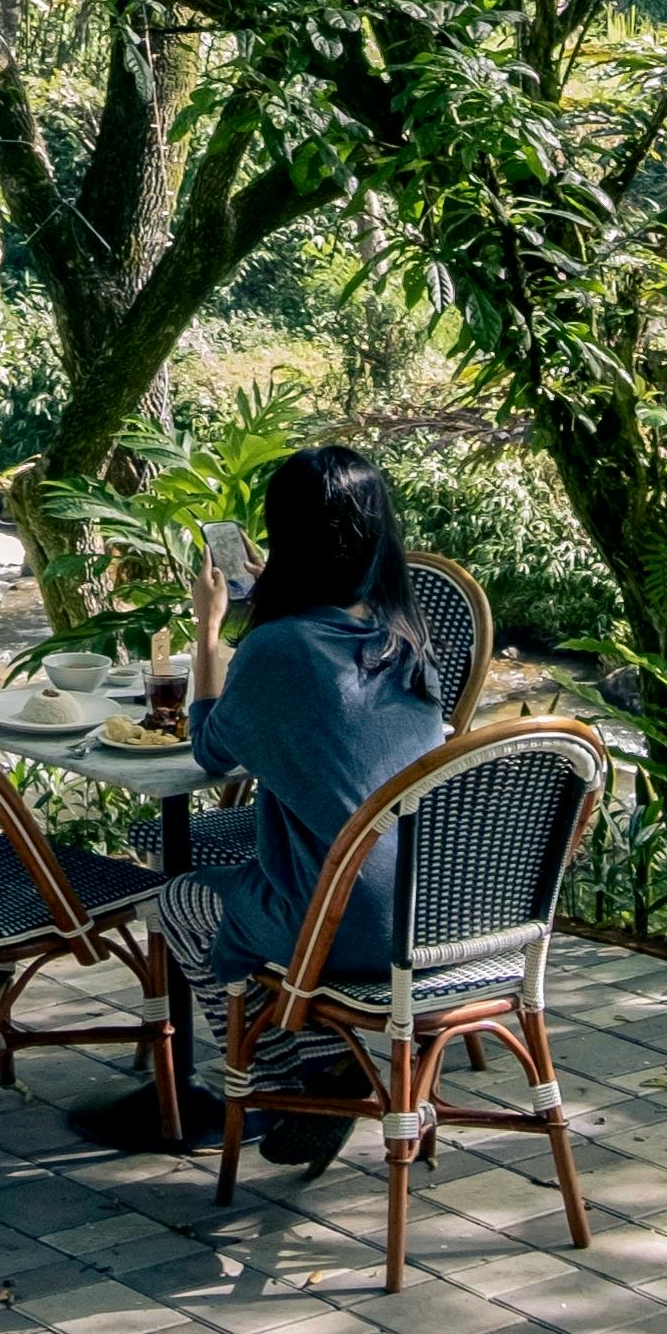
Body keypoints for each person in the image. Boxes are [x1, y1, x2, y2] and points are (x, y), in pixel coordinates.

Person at [158, 444, 446, 1167]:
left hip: (339, 923)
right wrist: (274, 597)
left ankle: (297, 1069)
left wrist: (210, 627)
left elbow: (209, 748)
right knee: (233, 844)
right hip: (431, 915)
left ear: (287, 542)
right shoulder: (403, 635)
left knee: (177, 900)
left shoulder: (275, 649)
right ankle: (333, 1055)